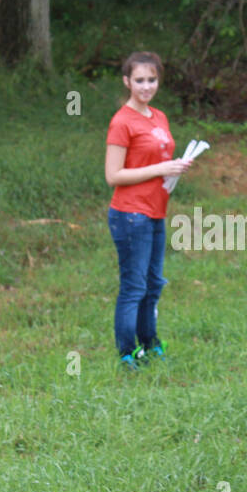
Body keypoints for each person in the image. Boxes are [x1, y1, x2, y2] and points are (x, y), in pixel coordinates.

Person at [104, 52, 194, 371]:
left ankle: (150, 344)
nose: (146, 86)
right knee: (134, 286)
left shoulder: (159, 117)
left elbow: (157, 163)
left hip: (156, 211)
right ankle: (127, 353)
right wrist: (160, 168)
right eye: (139, 80)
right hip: (130, 214)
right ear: (127, 82)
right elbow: (113, 175)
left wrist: (175, 169)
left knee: (154, 283)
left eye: (151, 80)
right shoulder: (121, 122)